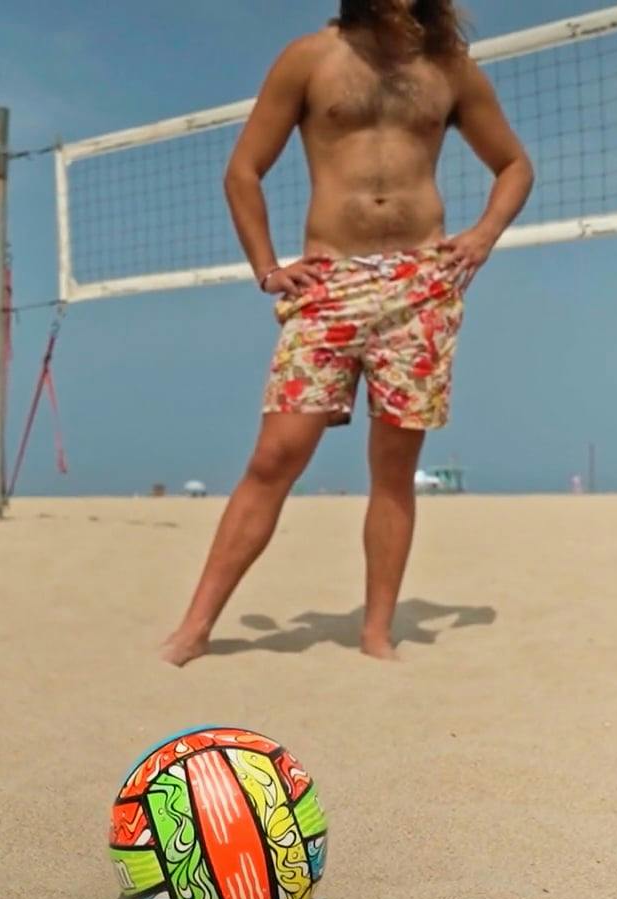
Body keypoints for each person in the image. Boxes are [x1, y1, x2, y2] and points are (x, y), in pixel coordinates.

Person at [158, 0, 533, 667]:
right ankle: (195, 627)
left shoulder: (449, 68)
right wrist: (267, 268)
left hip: (421, 285)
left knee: (394, 469)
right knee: (276, 456)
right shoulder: (310, 58)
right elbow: (242, 170)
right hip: (328, 282)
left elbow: (514, 165)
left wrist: (482, 236)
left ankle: (376, 633)